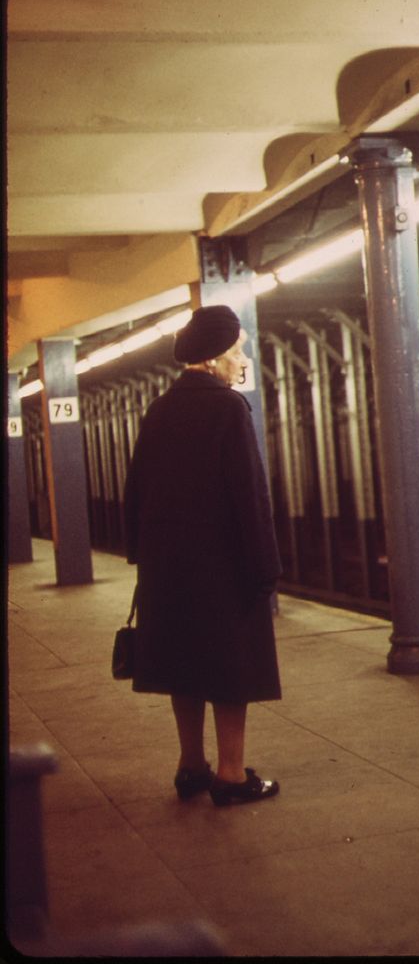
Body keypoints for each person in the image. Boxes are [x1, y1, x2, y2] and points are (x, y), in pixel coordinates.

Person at [123, 304, 282, 807]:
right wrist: (265, 566)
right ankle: (232, 775)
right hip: (223, 566)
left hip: (167, 566)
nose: (242, 358)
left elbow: (136, 492)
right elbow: (249, 495)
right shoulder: (228, 408)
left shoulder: (158, 409)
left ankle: (191, 766)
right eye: (236, 349)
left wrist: (142, 557)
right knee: (231, 667)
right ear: (214, 357)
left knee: (182, 662)